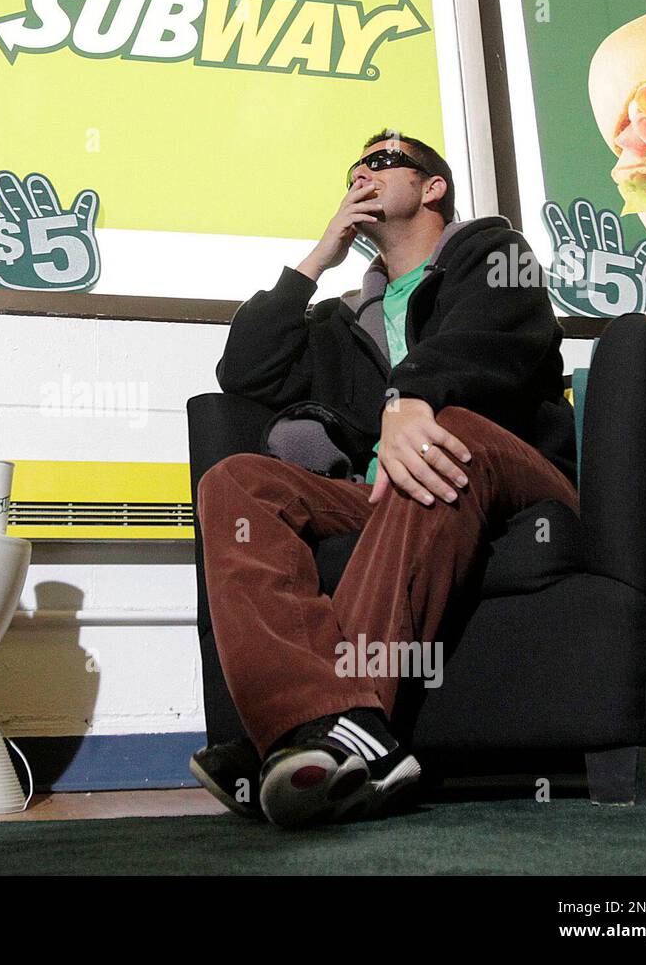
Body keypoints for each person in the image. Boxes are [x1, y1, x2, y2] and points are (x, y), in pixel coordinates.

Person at [191, 129, 579, 828]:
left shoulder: (491, 249)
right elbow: (244, 371)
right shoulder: (343, 321)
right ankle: (319, 729)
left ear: (432, 187)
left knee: (438, 433)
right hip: (391, 494)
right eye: (352, 173)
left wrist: (408, 398)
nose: (361, 178)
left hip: (512, 474)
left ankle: (320, 729)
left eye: (380, 163)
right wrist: (316, 259)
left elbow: (492, 338)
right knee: (237, 481)